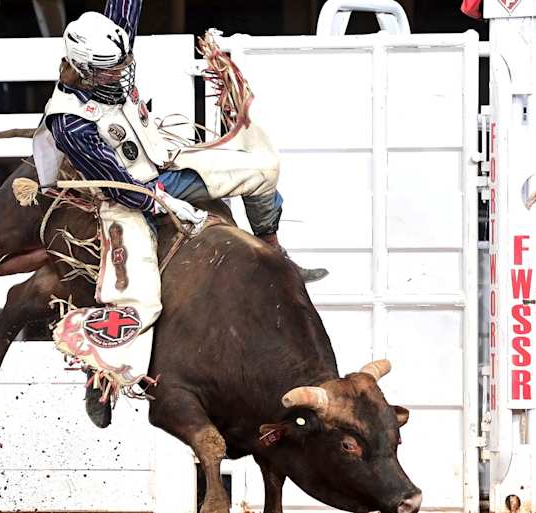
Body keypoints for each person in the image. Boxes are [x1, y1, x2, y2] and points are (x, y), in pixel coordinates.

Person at [32, 0, 328, 427]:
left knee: (264, 167)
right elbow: (121, 185)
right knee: (139, 300)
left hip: (167, 162)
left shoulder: (110, 48)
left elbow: (125, 8)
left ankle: (273, 249)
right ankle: (100, 377)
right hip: (125, 198)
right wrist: (168, 205)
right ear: (84, 71)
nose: (120, 74)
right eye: (110, 71)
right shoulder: (69, 122)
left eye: (121, 65)